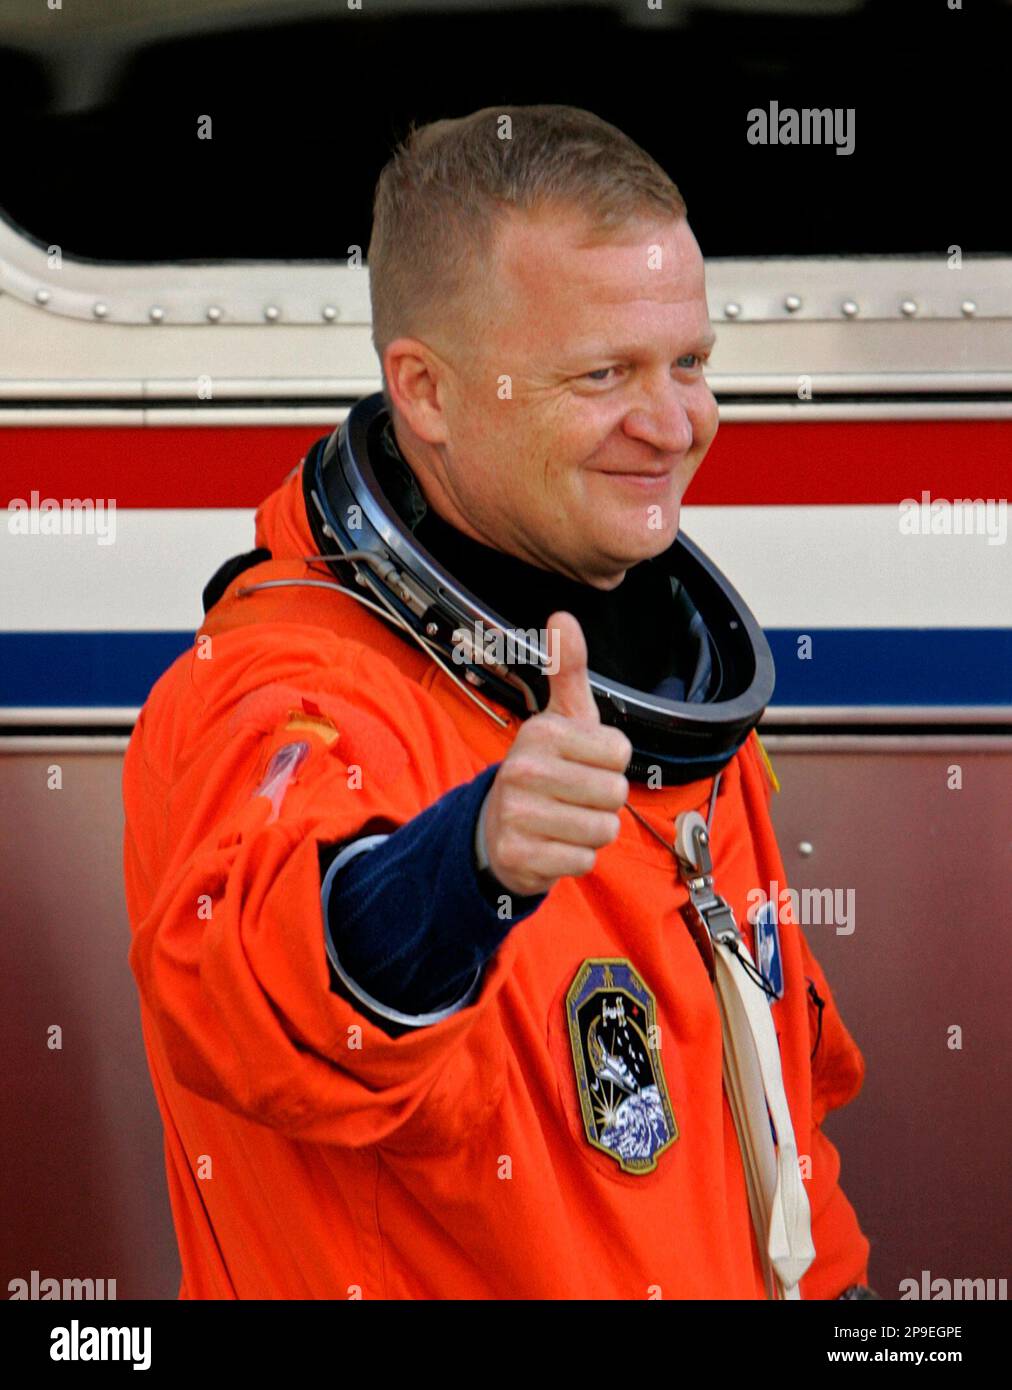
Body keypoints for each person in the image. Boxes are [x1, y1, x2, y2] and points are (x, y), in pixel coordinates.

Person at [123, 103, 874, 1300]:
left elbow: (778, 1109)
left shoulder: (665, 694)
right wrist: (463, 868)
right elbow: (262, 991)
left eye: (688, 363)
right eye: (603, 373)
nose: (675, 424)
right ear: (424, 387)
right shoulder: (282, 691)